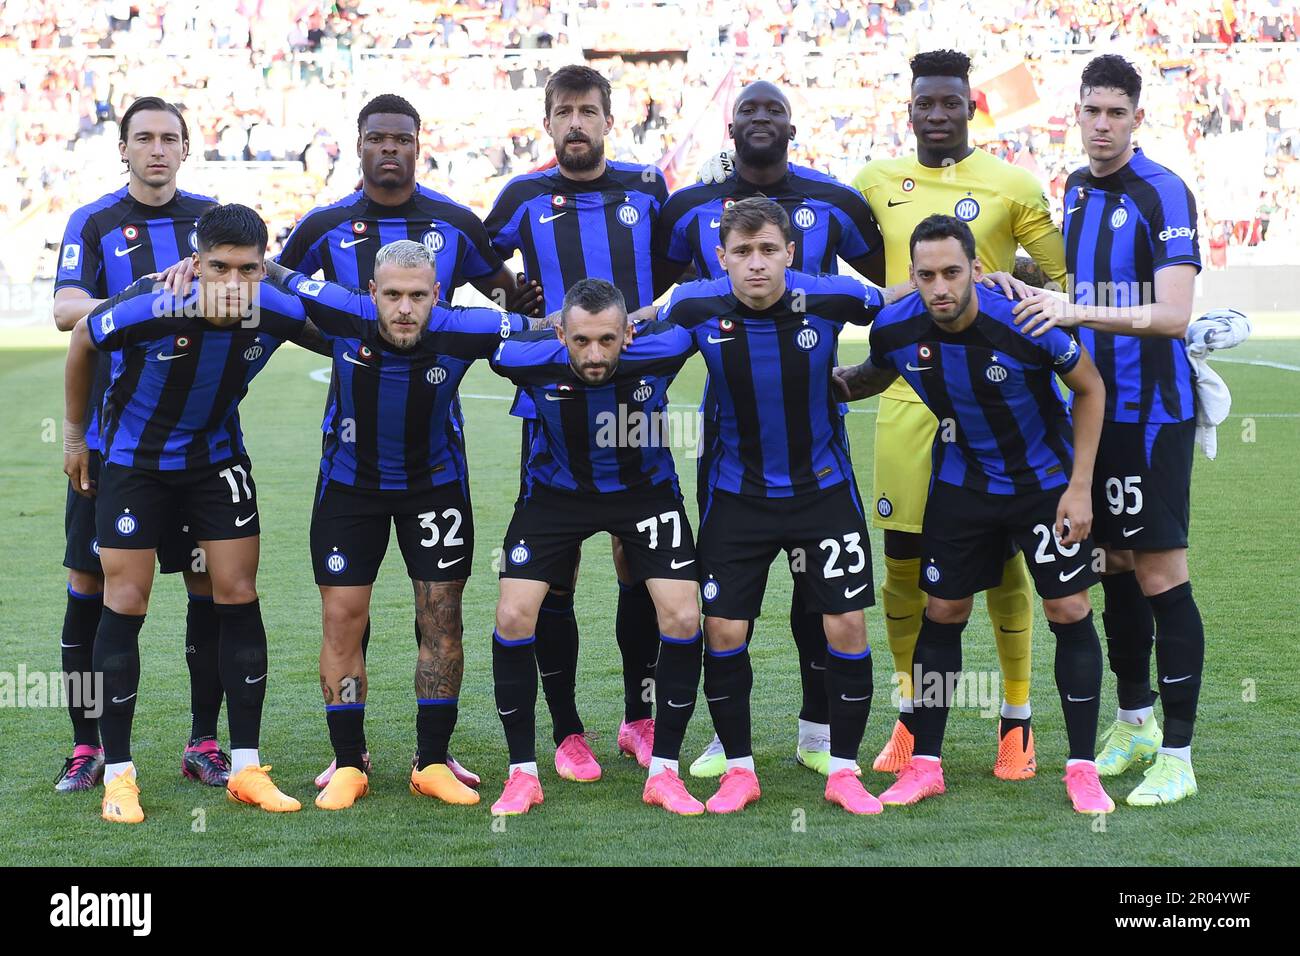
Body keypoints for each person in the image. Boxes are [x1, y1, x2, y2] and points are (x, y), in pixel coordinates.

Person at [834, 214, 1114, 814]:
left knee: (1067, 607)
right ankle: (927, 764)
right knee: (943, 610)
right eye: (927, 275)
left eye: (952, 272)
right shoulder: (895, 327)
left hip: (1044, 484)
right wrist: (803, 379)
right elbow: (869, 377)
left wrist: (1081, 488)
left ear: (977, 270)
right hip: (963, 482)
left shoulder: (1024, 321)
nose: (940, 287)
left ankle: (1082, 768)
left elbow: (1091, 389)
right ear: (911, 276)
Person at [850, 50, 1069, 780]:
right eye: (925, 103)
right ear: (909, 108)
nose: (937, 114)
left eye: (950, 102)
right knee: (905, 567)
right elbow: (823, 258)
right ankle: (912, 720)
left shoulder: (1013, 185)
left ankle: (1016, 719)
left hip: (995, 404)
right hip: (903, 396)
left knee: (1007, 564)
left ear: (970, 106)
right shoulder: (873, 184)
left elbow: (1061, 277)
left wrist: (1024, 278)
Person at [63, 204, 320, 823]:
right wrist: (74, 438)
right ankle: (118, 776)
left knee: (237, 593)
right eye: (218, 268)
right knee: (125, 601)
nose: (232, 285)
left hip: (215, 463)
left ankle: (246, 766)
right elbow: (80, 337)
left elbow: (349, 328)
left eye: (248, 270)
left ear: (266, 267)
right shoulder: (152, 303)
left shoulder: (277, 305)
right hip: (135, 464)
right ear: (195, 262)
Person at [261, 240, 540, 809]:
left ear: (438, 295)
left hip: (434, 489)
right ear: (372, 294)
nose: (405, 308)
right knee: (342, 618)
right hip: (349, 487)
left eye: (418, 295)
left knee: (441, 617)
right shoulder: (340, 310)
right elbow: (273, 271)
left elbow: (550, 331)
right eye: (392, 295)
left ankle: (432, 762)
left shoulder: (468, 328)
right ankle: (347, 762)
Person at [659, 79, 885, 780]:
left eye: (769, 249)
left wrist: (863, 377)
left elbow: (907, 308)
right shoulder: (693, 261)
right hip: (731, 462)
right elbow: (640, 323)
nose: (756, 261)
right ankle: (732, 746)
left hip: (821, 463)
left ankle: (819, 733)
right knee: (729, 617)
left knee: (825, 605)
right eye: (741, 251)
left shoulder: (836, 225)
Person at [1012, 55, 1206, 806]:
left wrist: (1075, 313)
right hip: (1092, 411)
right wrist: (1025, 284)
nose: (1101, 125)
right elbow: (1077, 287)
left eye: (1115, 113)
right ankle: (1136, 722)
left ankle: (1180, 757)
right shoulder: (1074, 189)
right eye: (1091, 111)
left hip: (1153, 415)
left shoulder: (1162, 191)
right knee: (1113, 565)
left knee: (1161, 572)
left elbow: (1175, 313)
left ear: (1136, 118)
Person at [485, 64, 671, 781]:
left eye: (587, 111)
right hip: (552, 410)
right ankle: (566, 732)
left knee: (639, 564)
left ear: (608, 119)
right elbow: (482, 258)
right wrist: (514, 292)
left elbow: (676, 270)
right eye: (562, 111)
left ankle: (639, 717)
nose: (575, 123)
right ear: (546, 122)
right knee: (552, 573)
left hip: (636, 406)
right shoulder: (523, 194)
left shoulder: (649, 186)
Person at [52, 96, 227, 792]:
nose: (157, 149)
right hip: (109, 442)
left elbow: (251, 284)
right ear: (121, 148)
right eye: (144, 138)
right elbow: (67, 309)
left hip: (194, 445)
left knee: (206, 582)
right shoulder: (93, 222)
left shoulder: (210, 222)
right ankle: (86, 747)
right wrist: (149, 294)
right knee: (90, 585)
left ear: (186, 149)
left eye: (170, 138)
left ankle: (204, 742)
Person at [486, 279, 706, 816]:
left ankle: (665, 771)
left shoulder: (666, 348)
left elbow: (701, 305)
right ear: (560, 333)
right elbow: (491, 340)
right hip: (556, 498)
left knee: (683, 616)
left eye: (608, 340)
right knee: (514, 614)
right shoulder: (524, 360)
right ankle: (526, 771)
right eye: (581, 341)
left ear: (631, 332)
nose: (594, 354)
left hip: (645, 493)